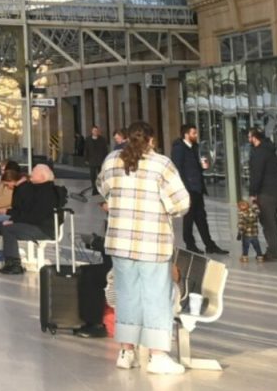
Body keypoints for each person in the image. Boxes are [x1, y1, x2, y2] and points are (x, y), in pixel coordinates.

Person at [97, 120, 191, 375]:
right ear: (151, 140)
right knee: (156, 297)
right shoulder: (161, 164)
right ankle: (157, 355)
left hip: (120, 241)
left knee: (126, 296)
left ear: (127, 138)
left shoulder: (112, 161)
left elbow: (102, 187)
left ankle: (126, 352)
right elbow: (181, 202)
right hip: (153, 241)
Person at [0, 163, 66, 274]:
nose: (31, 175)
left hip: (44, 229)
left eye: (34, 173)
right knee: (5, 226)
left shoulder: (46, 193)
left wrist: (14, 221)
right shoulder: (39, 190)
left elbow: (36, 216)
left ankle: (14, 264)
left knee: (8, 229)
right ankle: (11, 261)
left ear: (42, 177)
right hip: (39, 225)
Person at [171, 124, 226, 255]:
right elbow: (177, 169)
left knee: (201, 217)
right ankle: (190, 244)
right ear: (186, 134)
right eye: (193, 133)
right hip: (189, 189)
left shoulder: (194, 147)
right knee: (189, 217)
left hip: (197, 188)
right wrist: (185, 188)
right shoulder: (179, 149)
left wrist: (203, 167)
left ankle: (210, 245)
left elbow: (195, 167)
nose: (196, 135)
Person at [246, 127, 277, 262]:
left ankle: (274, 253)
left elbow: (257, 174)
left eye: (249, 136)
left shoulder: (259, 152)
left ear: (254, 138)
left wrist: (252, 193)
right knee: (271, 222)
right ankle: (274, 251)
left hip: (267, 192)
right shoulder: (269, 149)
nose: (248, 139)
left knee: (269, 223)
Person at [236, 198, 262, 263]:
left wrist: (240, 233)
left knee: (245, 246)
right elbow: (258, 211)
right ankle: (260, 257)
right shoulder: (253, 212)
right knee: (257, 246)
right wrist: (254, 204)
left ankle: (245, 257)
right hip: (254, 234)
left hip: (246, 234)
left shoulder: (241, 214)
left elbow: (241, 225)